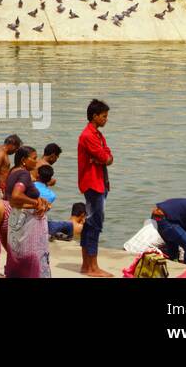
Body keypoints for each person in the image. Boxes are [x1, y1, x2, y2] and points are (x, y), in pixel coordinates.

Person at [77, 99, 114, 277]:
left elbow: (108, 156)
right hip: (93, 184)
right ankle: (92, 267)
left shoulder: (98, 135)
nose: (106, 119)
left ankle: (87, 265)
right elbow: (104, 156)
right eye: (104, 116)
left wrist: (102, 158)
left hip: (100, 182)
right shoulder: (89, 136)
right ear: (95, 116)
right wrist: (102, 158)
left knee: (91, 224)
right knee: (94, 225)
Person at [4, 146, 51, 278]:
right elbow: (16, 195)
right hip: (27, 223)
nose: (36, 162)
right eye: (34, 158)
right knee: (32, 257)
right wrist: (36, 203)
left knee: (18, 256)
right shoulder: (24, 174)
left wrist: (38, 199)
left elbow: (12, 200)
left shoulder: (13, 172)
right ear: (24, 160)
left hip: (15, 219)